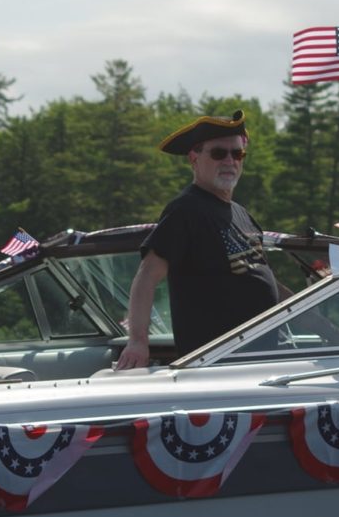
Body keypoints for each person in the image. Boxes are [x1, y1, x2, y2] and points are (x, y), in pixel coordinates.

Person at [115, 110, 281, 369]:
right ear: (194, 157)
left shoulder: (241, 214)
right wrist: (138, 342)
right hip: (215, 365)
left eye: (237, 153)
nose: (230, 160)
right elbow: (147, 275)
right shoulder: (186, 210)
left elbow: (262, 277)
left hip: (259, 361)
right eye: (218, 153)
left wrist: (318, 315)